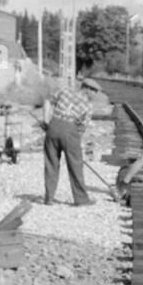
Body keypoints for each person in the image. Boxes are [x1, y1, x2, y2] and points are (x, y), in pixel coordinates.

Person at [42, 77, 100, 206]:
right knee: (75, 165)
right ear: (87, 89)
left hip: (54, 125)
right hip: (70, 131)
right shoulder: (88, 106)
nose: (95, 95)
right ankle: (81, 200)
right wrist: (76, 147)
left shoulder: (64, 91)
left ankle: (49, 198)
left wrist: (46, 120)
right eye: (95, 92)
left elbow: (47, 101)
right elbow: (82, 128)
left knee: (51, 163)